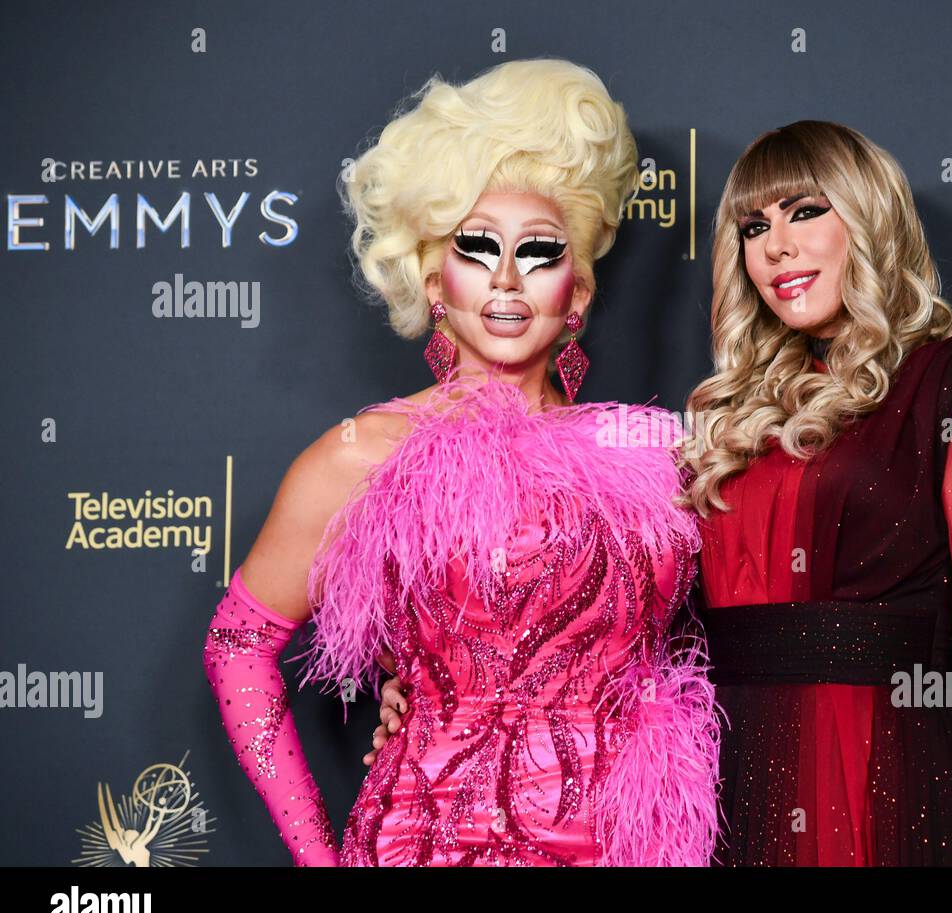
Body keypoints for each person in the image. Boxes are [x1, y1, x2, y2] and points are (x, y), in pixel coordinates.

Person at [202, 58, 721, 867]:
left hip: (628, 845)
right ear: (436, 280)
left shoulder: (655, 455)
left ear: (577, 293)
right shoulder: (363, 454)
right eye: (477, 248)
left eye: (539, 252)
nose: (507, 279)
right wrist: (315, 855)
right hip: (425, 842)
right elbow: (238, 645)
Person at [682, 120, 952, 865]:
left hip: (886, 782)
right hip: (723, 791)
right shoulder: (727, 418)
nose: (775, 246)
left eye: (804, 211)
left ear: (869, 215)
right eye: (753, 226)